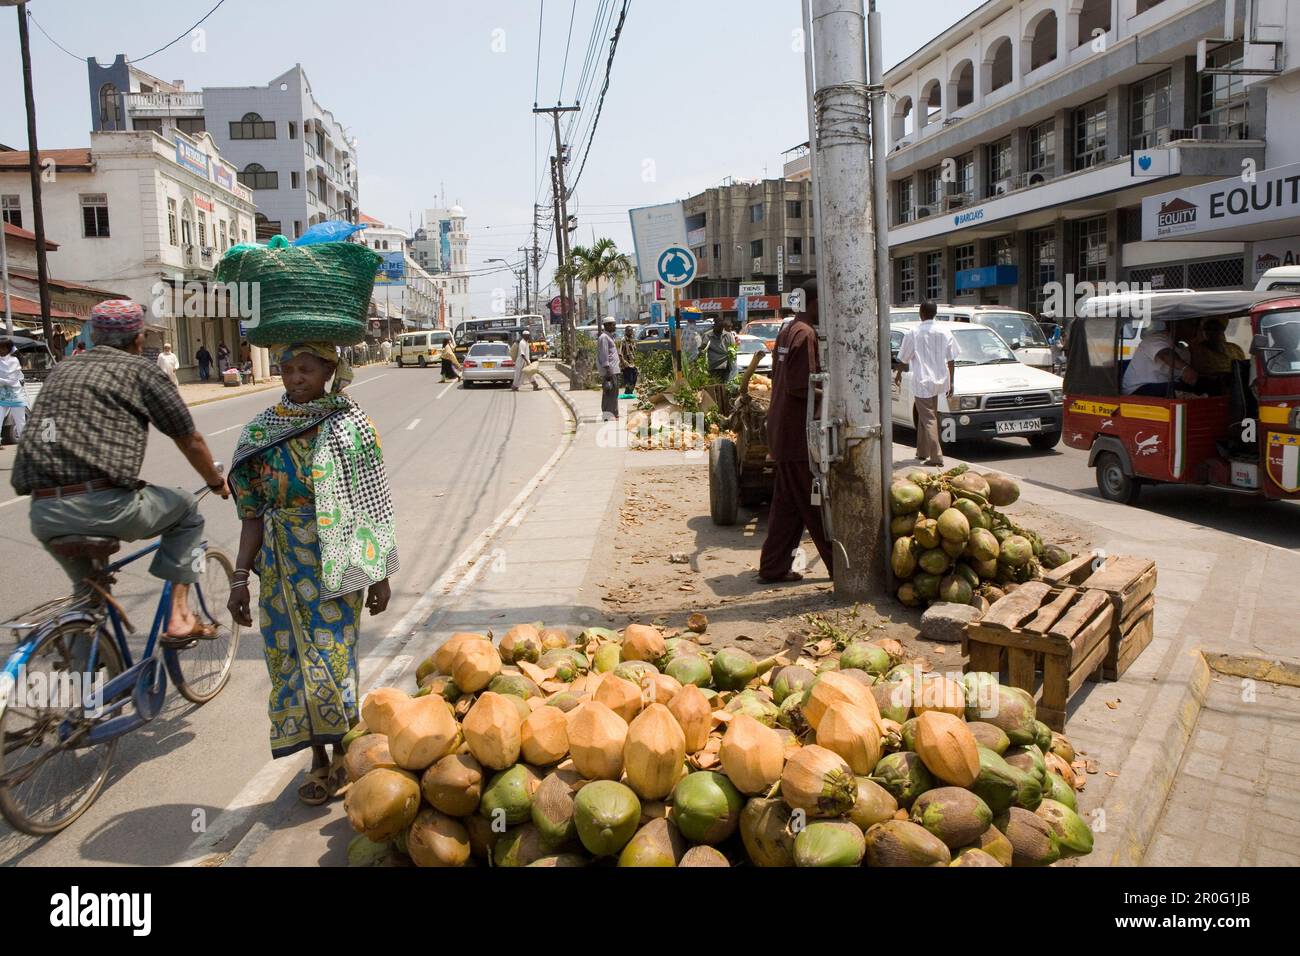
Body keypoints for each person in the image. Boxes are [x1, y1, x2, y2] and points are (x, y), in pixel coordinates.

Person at [227, 342, 396, 804]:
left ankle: (344, 754)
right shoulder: (263, 429)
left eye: (305, 369)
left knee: (332, 659)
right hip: (280, 568)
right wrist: (240, 578)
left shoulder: (351, 424)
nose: (295, 377)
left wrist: (378, 573)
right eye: (287, 369)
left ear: (329, 370)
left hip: (337, 560)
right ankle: (320, 759)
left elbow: (370, 502)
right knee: (291, 667)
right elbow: (252, 512)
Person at [11, 299, 229, 639]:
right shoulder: (141, 372)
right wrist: (215, 482)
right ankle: (180, 617)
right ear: (139, 339)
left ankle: (92, 685)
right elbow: (190, 440)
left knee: (88, 602)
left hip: (44, 513)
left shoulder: (62, 370)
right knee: (187, 509)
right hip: (106, 507)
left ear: (94, 336)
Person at [759, 278, 834, 583]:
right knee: (814, 504)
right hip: (796, 435)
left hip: (783, 430)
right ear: (815, 303)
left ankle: (773, 567)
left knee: (788, 506)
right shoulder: (806, 334)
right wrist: (831, 397)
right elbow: (800, 386)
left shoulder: (788, 329)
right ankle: (844, 567)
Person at [896, 300, 958, 466]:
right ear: (935, 313)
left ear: (921, 313)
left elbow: (903, 358)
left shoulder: (914, 333)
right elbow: (952, 360)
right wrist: (951, 382)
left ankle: (936, 457)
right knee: (926, 415)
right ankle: (922, 452)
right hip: (939, 381)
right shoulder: (945, 332)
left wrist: (899, 373)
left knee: (929, 418)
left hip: (922, 381)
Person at [1122, 321, 1196, 397]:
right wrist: (1185, 368)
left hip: (1165, 384)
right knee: (1178, 391)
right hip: (1140, 388)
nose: (1194, 330)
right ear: (1175, 325)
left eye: (1196, 326)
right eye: (1191, 325)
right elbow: (1165, 354)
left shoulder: (1184, 349)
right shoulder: (1156, 338)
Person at [1190, 319, 1246, 394]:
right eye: (1207, 329)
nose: (1210, 333)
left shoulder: (1235, 348)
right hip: (1214, 387)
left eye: (1215, 329)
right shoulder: (1199, 350)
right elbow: (1200, 373)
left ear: (1222, 331)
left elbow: (1243, 366)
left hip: (1239, 383)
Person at [0, 337, 27, 443]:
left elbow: (11, 380)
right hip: (2, 397)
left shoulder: (14, 361)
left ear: (8, 349)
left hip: (16, 396)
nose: (1, 350)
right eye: (0, 347)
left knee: (21, 423)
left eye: (3, 347)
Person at [597, 317, 621, 421]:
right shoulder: (604, 338)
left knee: (614, 392)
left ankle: (614, 413)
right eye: (613, 324)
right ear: (607, 325)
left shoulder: (609, 337)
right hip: (610, 370)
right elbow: (604, 355)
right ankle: (608, 414)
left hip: (614, 370)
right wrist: (608, 370)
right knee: (609, 393)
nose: (614, 326)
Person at [704, 317, 738, 382]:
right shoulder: (707, 335)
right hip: (713, 366)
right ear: (714, 326)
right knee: (714, 383)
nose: (720, 329)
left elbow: (733, 349)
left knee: (725, 384)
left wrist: (733, 364)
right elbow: (702, 350)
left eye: (721, 327)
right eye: (718, 327)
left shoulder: (728, 335)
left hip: (726, 366)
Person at [619, 325, 639, 394]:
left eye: (631, 331)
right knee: (629, 379)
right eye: (629, 331)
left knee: (635, 377)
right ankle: (628, 392)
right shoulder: (623, 340)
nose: (630, 332)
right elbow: (620, 353)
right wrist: (623, 362)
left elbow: (634, 350)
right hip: (627, 363)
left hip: (633, 362)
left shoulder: (632, 339)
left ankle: (630, 392)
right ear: (626, 331)